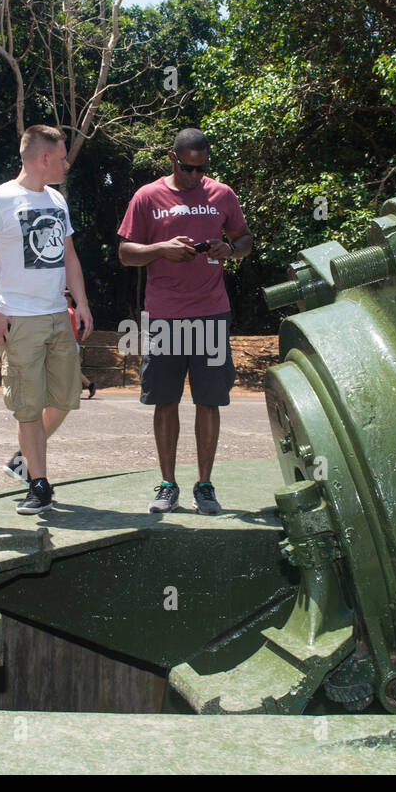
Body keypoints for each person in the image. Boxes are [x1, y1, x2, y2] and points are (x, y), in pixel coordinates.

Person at [117, 128, 252, 514]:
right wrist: (161, 249)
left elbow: (245, 240)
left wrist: (230, 249)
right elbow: (126, 253)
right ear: (173, 159)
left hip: (211, 311)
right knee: (165, 400)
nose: (195, 176)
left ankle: (204, 485)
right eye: (188, 168)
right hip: (164, 314)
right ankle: (167, 485)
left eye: (202, 168)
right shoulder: (147, 196)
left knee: (209, 401)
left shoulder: (222, 194)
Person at [0, 125, 92, 514]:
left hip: (56, 314)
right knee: (28, 407)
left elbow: (68, 257)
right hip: (17, 318)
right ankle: (39, 484)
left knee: (67, 398)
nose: (68, 163)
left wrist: (81, 303)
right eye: (63, 156)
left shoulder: (56, 199)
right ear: (44, 159)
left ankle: (23, 460)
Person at [66, 289, 97, 399]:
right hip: (74, 343)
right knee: (71, 369)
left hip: (67, 344)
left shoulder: (66, 312)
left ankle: (87, 385)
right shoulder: (74, 311)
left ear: (67, 299)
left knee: (66, 369)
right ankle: (89, 385)